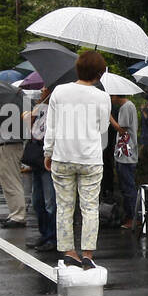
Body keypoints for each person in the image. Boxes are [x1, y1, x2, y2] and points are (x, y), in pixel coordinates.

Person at [44, 50, 110, 269]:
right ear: (99, 73)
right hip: (90, 158)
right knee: (90, 207)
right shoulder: (102, 96)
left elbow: (51, 126)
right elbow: (103, 127)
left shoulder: (59, 92)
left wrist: (48, 152)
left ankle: (69, 252)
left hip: (63, 156)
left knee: (64, 206)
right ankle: (88, 254)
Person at [22, 87, 56, 252]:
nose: (40, 92)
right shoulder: (41, 110)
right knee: (37, 201)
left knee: (50, 201)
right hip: (37, 159)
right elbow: (32, 131)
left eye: (44, 90)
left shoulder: (56, 111)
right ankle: (44, 234)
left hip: (48, 160)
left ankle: (53, 237)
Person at [0, 93, 28, 228]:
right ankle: (14, 213)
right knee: (9, 182)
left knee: (12, 182)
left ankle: (18, 216)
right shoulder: (20, 107)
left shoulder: (10, 111)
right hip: (9, 146)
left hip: (8, 147)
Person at [112, 92, 139, 230]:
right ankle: (130, 216)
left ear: (117, 96)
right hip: (124, 152)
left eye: (112, 96)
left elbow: (122, 130)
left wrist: (109, 118)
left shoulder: (126, 107)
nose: (111, 99)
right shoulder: (128, 106)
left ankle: (133, 217)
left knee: (128, 187)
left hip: (127, 153)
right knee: (126, 186)